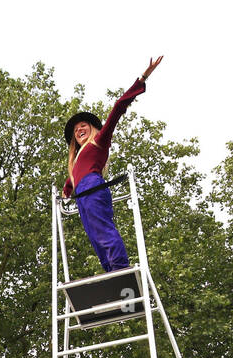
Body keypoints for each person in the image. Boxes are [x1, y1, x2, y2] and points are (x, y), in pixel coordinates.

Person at [62, 56, 163, 273]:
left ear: (92, 129)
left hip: (93, 187)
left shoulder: (98, 142)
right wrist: (65, 192)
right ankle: (111, 274)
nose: (80, 130)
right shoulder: (77, 159)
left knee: (104, 232)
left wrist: (143, 78)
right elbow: (71, 181)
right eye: (76, 130)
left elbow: (118, 108)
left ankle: (120, 269)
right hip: (82, 196)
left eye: (83, 126)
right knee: (96, 240)